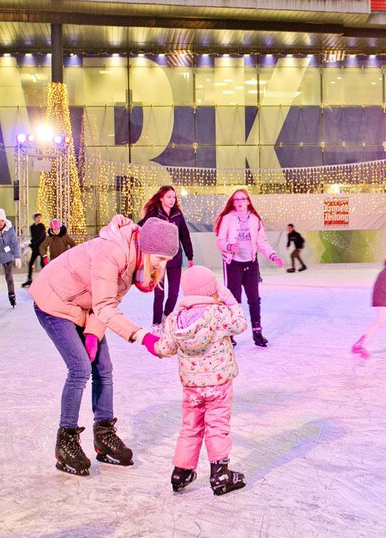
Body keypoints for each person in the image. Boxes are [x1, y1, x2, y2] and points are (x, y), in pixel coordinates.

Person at [29, 214, 180, 476]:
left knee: (104, 367)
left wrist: (92, 334)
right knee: (79, 368)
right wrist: (143, 336)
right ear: (146, 248)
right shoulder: (113, 252)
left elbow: (107, 301)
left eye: (167, 260)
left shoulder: (134, 261)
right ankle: (66, 440)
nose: (161, 265)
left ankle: (104, 434)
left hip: (83, 306)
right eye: (160, 257)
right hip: (54, 299)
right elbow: (105, 307)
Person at [153, 265, 249, 495]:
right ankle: (220, 474)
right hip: (218, 386)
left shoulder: (175, 320)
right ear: (212, 291)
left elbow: (164, 347)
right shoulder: (219, 315)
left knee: (190, 427)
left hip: (192, 387)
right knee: (217, 426)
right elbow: (240, 323)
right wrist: (229, 299)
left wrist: (153, 344)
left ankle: (182, 471)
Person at [215, 189, 284, 347]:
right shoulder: (227, 219)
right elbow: (220, 241)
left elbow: (262, 242)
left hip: (251, 263)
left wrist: (273, 255)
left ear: (248, 201)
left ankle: (257, 333)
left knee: (254, 299)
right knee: (234, 300)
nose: (239, 202)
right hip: (232, 263)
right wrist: (229, 246)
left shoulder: (255, 220)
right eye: (236, 199)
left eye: (242, 199)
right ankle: (231, 334)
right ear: (233, 202)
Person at [138, 185, 195, 329]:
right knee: (159, 294)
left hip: (175, 259)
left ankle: (166, 317)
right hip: (158, 261)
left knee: (174, 294)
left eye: (173, 197)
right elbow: (141, 227)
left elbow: (184, 235)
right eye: (168, 197)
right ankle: (156, 324)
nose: (172, 200)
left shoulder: (177, 214)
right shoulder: (154, 214)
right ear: (161, 198)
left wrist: (190, 256)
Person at [21, 212, 47, 288]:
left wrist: (31, 244)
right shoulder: (32, 227)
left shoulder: (42, 226)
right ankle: (29, 279)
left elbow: (41, 237)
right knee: (31, 263)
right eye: (37, 217)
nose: (39, 219)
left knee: (43, 263)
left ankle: (45, 278)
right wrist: (29, 244)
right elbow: (34, 238)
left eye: (40, 217)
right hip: (35, 248)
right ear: (35, 218)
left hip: (41, 248)